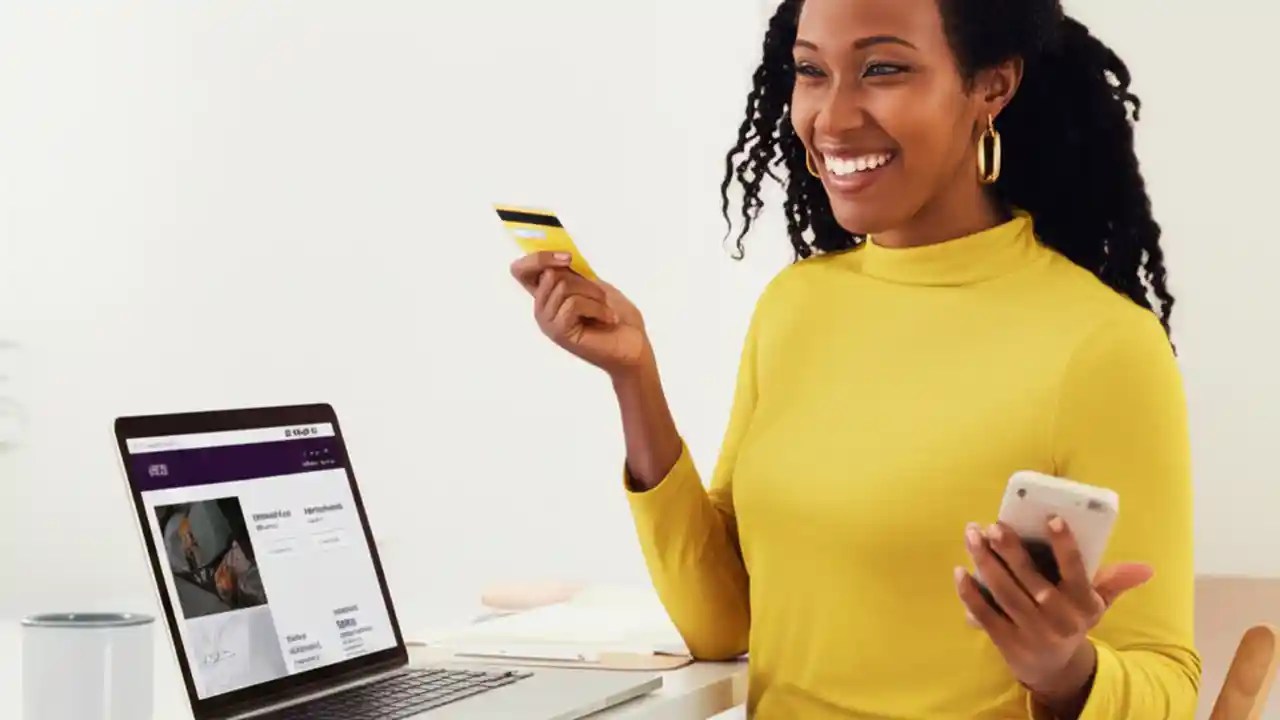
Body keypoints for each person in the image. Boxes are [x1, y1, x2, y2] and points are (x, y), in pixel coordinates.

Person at [509, 0, 1198, 717]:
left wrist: (1064, 672)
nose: (832, 119)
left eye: (883, 69)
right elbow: (719, 623)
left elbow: (1167, 685)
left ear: (992, 87)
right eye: (811, 72)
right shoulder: (797, 307)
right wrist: (634, 376)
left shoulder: (1103, 345)